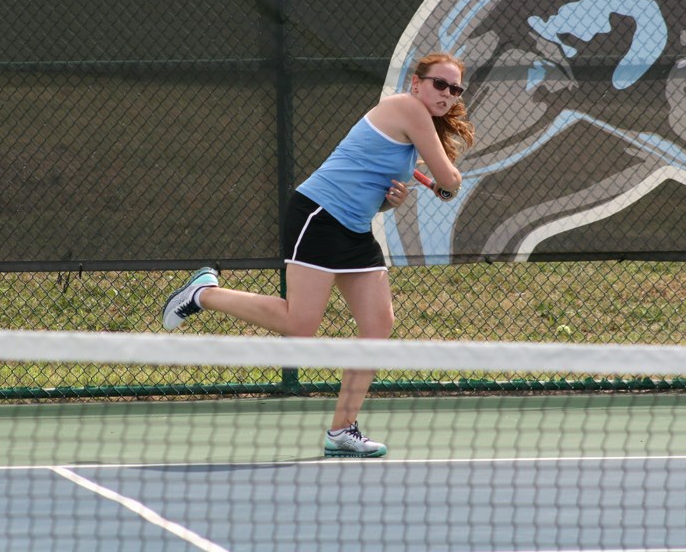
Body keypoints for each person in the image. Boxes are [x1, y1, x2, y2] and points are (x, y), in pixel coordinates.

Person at [162, 52, 474, 458]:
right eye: (439, 84)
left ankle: (342, 430)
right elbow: (449, 178)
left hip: (354, 228)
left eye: (455, 89)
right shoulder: (408, 108)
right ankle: (203, 293)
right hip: (319, 215)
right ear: (416, 83)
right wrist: (449, 184)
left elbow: (376, 194)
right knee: (299, 324)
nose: (447, 94)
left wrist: (391, 201)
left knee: (378, 324)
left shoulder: (413, 133)